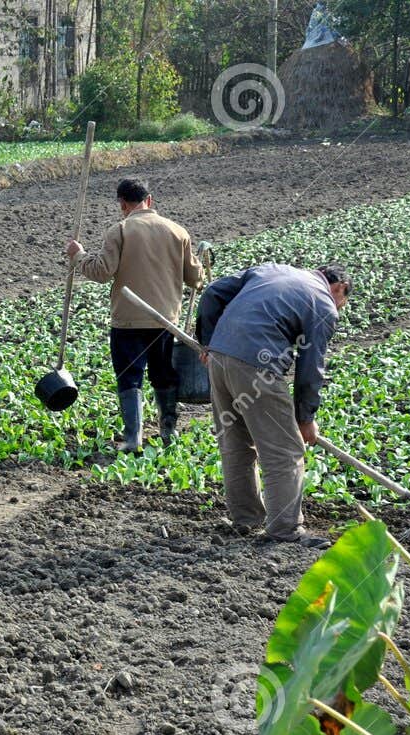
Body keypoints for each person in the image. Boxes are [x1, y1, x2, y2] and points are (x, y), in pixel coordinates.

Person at [196, 263, 353, 549]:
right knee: (285, 450)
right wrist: (305, 418)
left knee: (236, 443)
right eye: (343, 302)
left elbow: (213, 292)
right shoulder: (324, 305)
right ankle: (285, 529)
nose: (339, 309)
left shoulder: (271, 270)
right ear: (339, 288)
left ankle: (246, 519)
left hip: (219, 358)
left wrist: (207, 342)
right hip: (257, 366)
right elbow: (311, 368)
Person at [65, 178, 205, 452]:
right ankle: (168, 432)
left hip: (128, 320)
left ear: (123, 204)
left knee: (130, 377)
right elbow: (194, 279)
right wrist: (199, 268)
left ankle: (133, 438)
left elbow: (102, 272)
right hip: (165, 321)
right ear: (149, 201)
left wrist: (79, 256)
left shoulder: (120, 230)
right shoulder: (178, 231)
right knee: (163, 374)